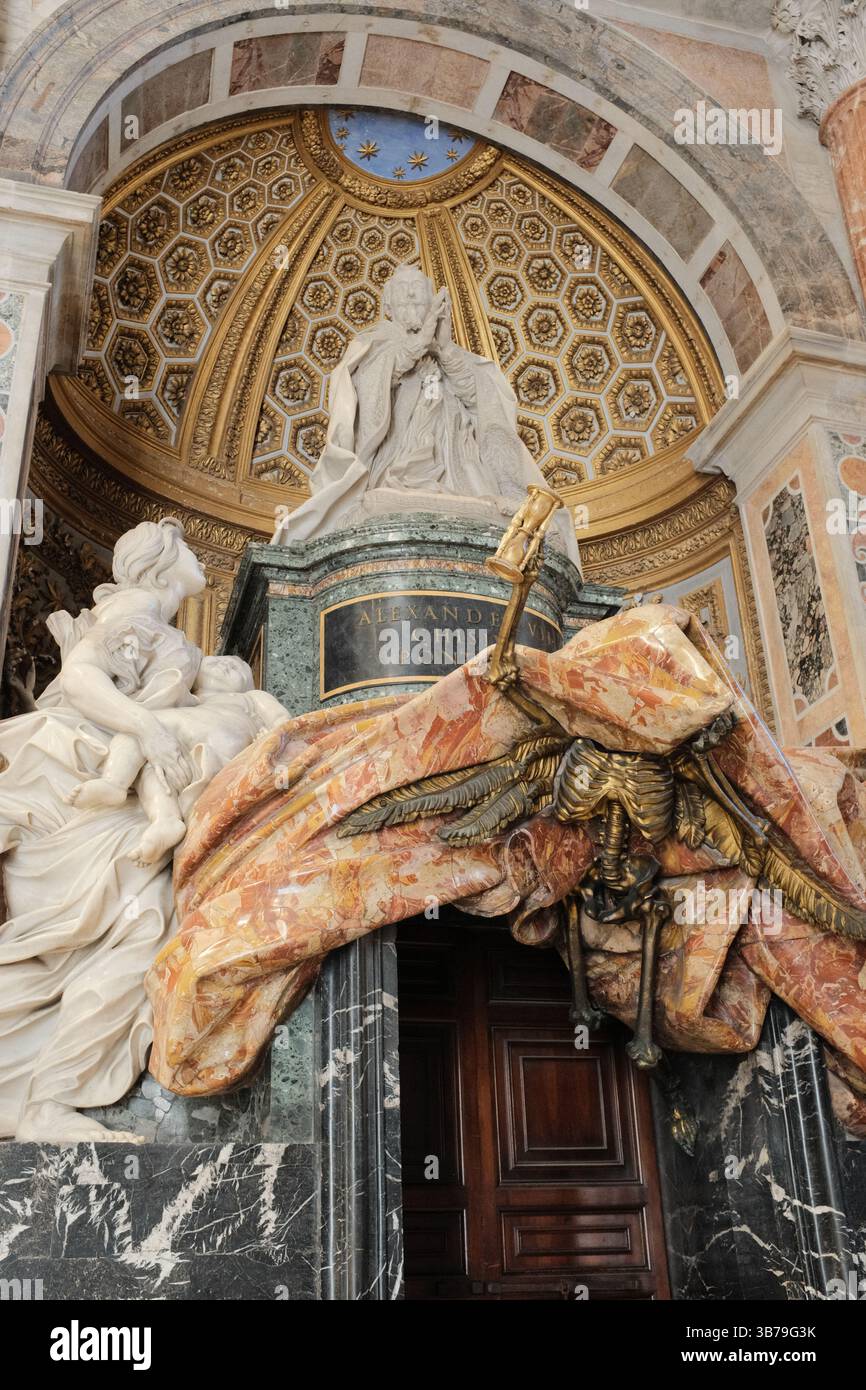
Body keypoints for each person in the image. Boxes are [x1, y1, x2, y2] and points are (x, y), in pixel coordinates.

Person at [0, 517, 285, 1143]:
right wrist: (149, 729)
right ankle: (48, 1100)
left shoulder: (157, 626)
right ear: (159, 561)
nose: (199, 559)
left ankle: (47, 1092)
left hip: (110, 791)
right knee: (141, 931)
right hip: (91, 797)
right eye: (186, 548)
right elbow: (82, 678)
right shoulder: (136, 609)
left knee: (131, 935)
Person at [271, 264, 580, 566]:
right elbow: (364, 399)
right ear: (388, 306)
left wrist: (445, 350)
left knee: (501, 513)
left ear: (433, 302)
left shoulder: (455, 355)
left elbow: (485, 405)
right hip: (393, 465)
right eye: (403, 290)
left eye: (418, 289)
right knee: (377, 504)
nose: (411, 295)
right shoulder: (372, 345)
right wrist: (415, 346)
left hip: (457, 465)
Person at [69, 655, 289, 865]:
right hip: (194, 757)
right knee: (154, 767)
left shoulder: (250, 698)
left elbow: (282, 719)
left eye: (238, 669)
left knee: (138, 731)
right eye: (219, 659)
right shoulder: (189, 701)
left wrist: (273, 740)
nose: (226, 664)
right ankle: (165, 818)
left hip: (229, 739)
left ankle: (114, 782)